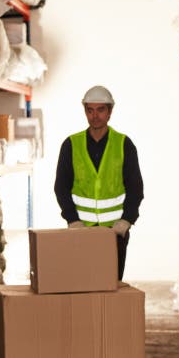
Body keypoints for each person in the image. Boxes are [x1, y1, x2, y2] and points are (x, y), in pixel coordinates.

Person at [54, 85, 144, 279]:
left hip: (115, 232)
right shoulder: (71, 144)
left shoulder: (124, 144)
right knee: (83, 283)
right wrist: (72, 220)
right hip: (81, 230)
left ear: (110, 111)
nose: (95, 116)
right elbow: (61, 187)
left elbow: (136, 188)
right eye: (90, 110)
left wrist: (127, 220)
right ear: (85, 111)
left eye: (101, 110)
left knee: (111, 284)